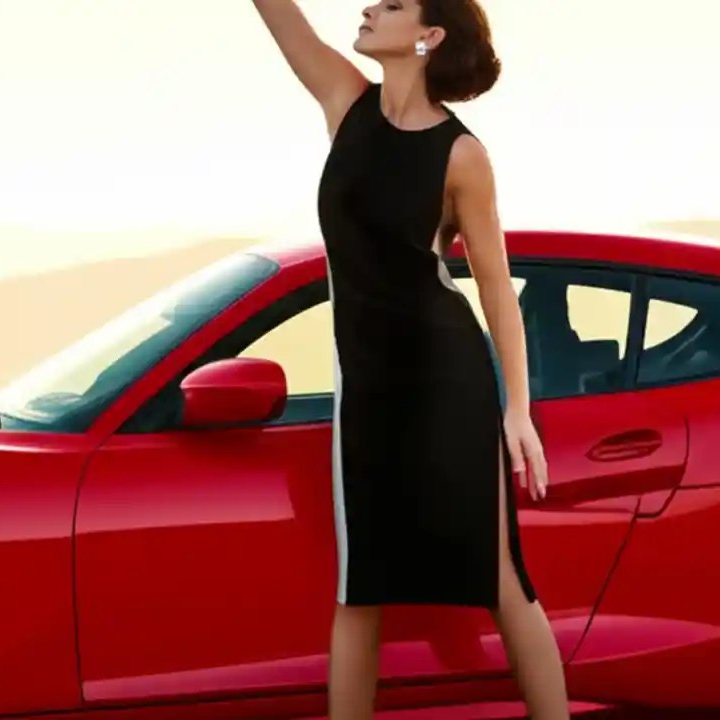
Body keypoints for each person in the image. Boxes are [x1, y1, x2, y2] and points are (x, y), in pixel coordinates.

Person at [250, 2, 571, 718]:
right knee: (359, 585)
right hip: (366, 388)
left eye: (392, 4)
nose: (368, 8)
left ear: (428, 37)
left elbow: (495, 285)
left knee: (498, 577)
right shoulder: (346, 103)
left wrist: (517, 409)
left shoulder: (462, 155)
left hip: (446, 383)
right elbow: (283, 19)